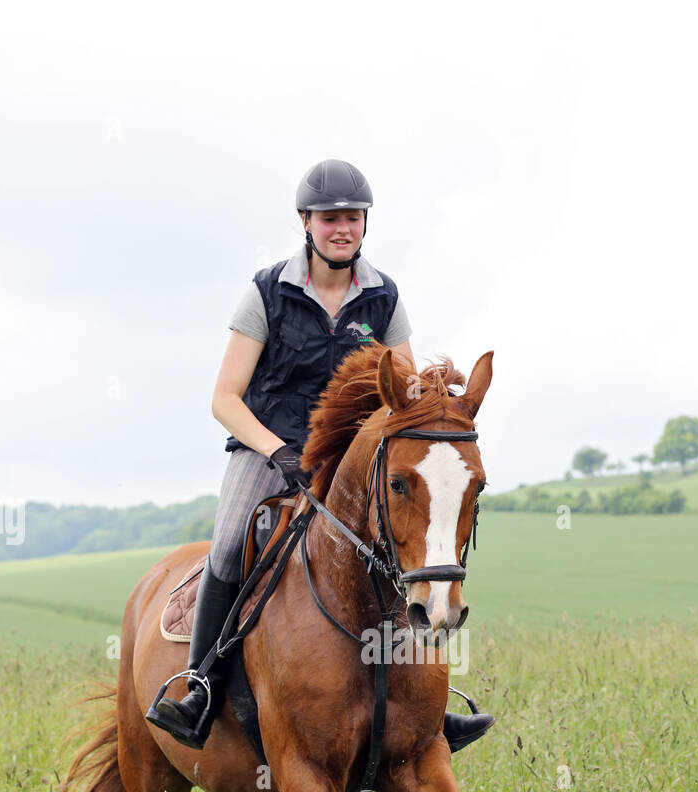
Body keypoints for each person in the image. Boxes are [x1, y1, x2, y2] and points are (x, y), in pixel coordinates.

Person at [146, 159, 494, 755]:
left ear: (365, 225)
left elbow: (404, 389)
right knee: (230, 544)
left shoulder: (384, 297)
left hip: (351, 458)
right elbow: (224, 399)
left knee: (404, 547)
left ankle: (429, 707)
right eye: (330, 217)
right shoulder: (265, 293)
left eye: (353, 218)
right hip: (268, 451)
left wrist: (436, 402)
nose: (343, 228)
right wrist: (276, 449)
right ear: (306, 222)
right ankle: (200, 685)